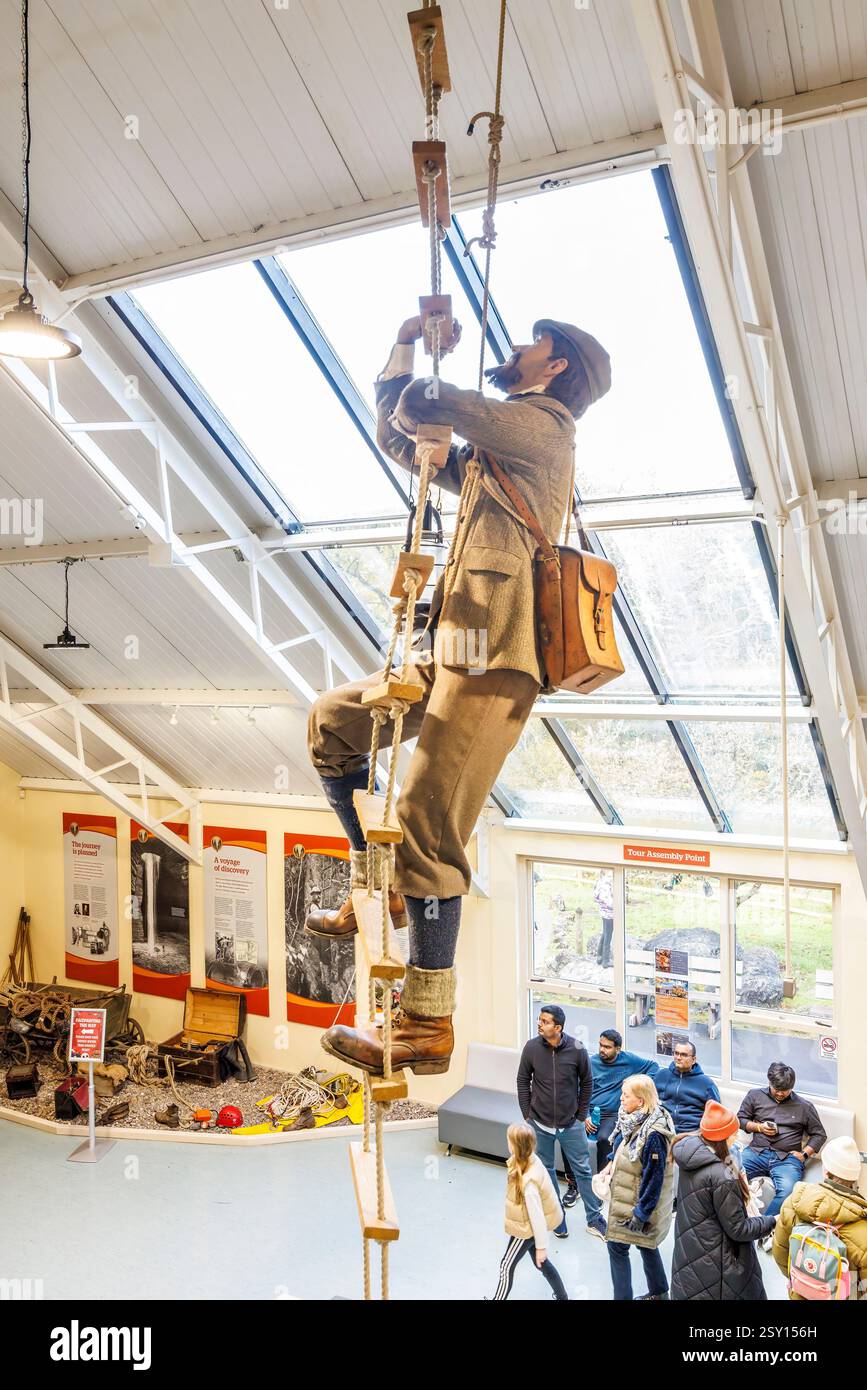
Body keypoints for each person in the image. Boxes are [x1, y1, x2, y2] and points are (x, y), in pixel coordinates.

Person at [308, 318, 611, 1078]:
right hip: (449, 649)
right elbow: (398, 430)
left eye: (529, 344)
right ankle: (381, 890)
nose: (512, 351)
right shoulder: (494, 457)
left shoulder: (544, 427)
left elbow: (429, 400)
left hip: (498, 659)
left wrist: (428, 374)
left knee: (426, 826)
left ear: (557, 363)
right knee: (333, 726)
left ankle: (425, 1025)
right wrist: (404, 336)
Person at [516, 1005, 607, 1241]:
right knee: (546, 1173)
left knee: (584, 1171)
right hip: (540, 1123)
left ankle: (594, 1218)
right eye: (539, 1019)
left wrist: (580, 1115)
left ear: (558, 1027)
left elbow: (587, 1082)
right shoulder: (532, 1047)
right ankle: (557, 1218)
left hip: (570, 1124)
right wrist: (527, 1112)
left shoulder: (577, 1048)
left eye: (545, 1021)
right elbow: (523, 1079)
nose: (539, 1024)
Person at [670, 1101, 776, 1300]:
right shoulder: (723, 1175)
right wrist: (771, 1222)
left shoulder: (692, 1155)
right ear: (723, 1137)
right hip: (716, 1264)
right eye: (734, 1133)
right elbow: (739, 1229)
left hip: (691, 1250)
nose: (737, 1137)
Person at [602, 1074, 676, 1300]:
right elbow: (627, 1143)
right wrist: (612, 1161)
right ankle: (660, 1293)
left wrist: (641, 1214)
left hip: (636, 1205)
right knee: (646, 1245)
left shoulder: (654, 1135)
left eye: (626, 1096)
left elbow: (654, 1178)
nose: (621, 1099)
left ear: (641, 1101)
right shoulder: (637, 1119)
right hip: (631, 1198)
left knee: (617, 1246)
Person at [737, 1062, 827, 1245]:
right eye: (776, 1088)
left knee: (787, 1192)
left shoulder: (804, 1106)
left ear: (792, 1087)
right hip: (756, 1152)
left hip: (787, 1159)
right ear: (769, 1082)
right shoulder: (754, 1096)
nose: (779, 1093)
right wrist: (758, 1127)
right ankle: (737, 1221)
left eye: (785, 1090)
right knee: (728, 1177)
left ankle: (762, 1229)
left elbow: (819, 1134)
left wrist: (804, 1154)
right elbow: (740, 1119)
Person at [772, 1135, 867, 1300]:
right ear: (854, 1178)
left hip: (799, 1292)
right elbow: (863, 1286)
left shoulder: (792, 1203)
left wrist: (803, 1282)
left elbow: (780, 1252)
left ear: (826, 1170)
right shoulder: (863, 1230)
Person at [491, 1122, 568, 1300]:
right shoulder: (529, 1158)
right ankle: (564, 1298)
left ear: (515, 1146)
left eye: (509, 1140)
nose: (507, 1143)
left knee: (506, 1266)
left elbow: (538, 1219)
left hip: (526, 1229)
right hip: (526, 1223)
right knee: (541, 1264)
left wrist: (541, 1247)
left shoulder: (529, 1183)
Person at [654, 1039, 720, 1133]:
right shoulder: (661, 1075)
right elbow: (650, 1101)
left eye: (683, 1055)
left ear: (693, 1060)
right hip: (663, 1127)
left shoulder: (706, 1083)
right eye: (676, 1053)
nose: (678, 1057)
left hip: (691, 1131)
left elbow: (715, 1113)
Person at [593, 870, 614, 968]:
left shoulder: (600, 882)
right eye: (610, 875)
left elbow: (596, 897)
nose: (612, 877)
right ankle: (606, 960)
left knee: (605, 934)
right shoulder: (606, 885)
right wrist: (617, 905)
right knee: (608, 936)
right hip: (609, 913)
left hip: (603, 912)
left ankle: (599, 956)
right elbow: (609, 902)